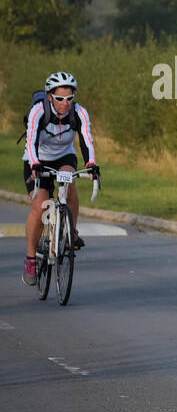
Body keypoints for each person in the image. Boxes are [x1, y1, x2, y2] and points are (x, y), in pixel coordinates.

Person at [22, 72, 98, 285]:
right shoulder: (39, 111)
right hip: (37, 159)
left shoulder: (79, 112)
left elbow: (86, 139)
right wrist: (34, 163)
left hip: (64, 155)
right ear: (49, 97)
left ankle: (70, 231)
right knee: (40, 208)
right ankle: (30, 259)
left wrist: (91, 164)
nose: (65, 103)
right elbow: (31, 140)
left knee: (69, 182)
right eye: (60, 98)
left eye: (69, 98)